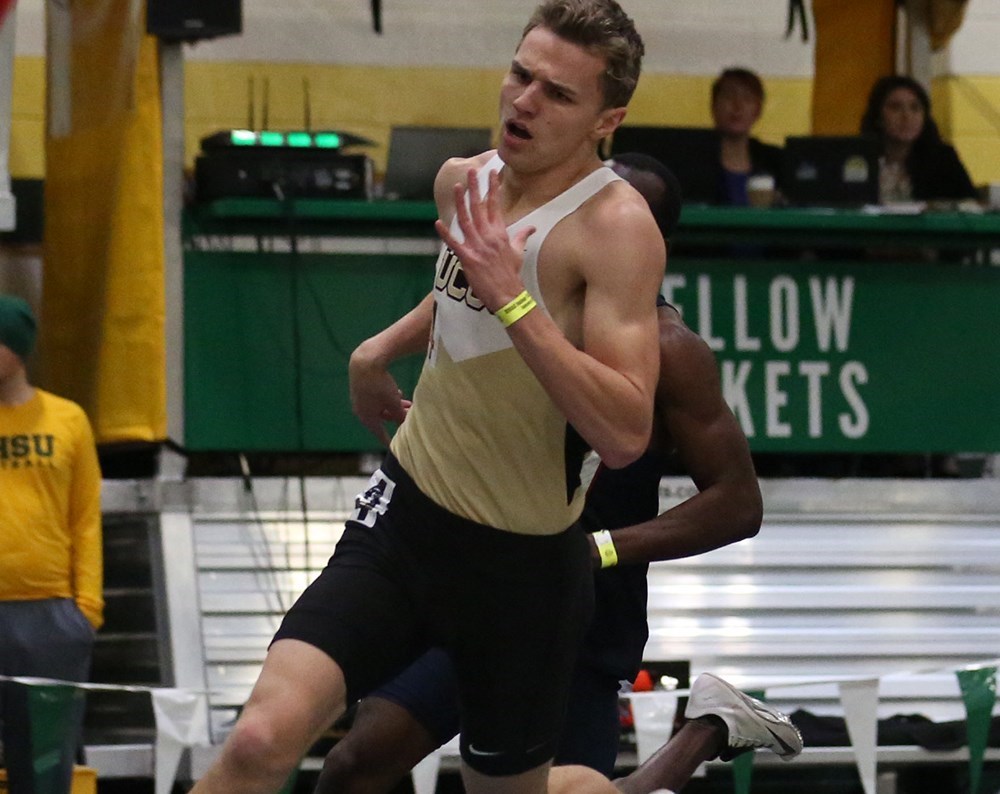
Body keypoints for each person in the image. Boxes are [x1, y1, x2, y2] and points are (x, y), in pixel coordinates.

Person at [189, 2, 667, 793]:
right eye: (521, 74)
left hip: (526, 568)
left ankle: (673, 755)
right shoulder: (462, 181)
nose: (523, 102)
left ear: (606, 119)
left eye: (558, 94)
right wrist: (378, 348)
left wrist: (516, 300)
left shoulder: (617, 229)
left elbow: (623, 431)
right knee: (259, 741)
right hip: (409, 520)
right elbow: (457, 294)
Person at [313, 153, 802, 794]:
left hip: (579, 600)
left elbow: (738, 503)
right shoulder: (523, 293)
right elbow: (454, 296)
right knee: (355, 765)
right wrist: (376, 350)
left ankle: (706, 729)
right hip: (484, 569)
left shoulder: (672, 351)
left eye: (612, 203)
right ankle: (713, 723)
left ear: (645, 241)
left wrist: (592, 550)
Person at [0, 294, 103, 794]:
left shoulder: (67, 422)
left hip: (50, 615)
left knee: (44, 763)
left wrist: (85, 610)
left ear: (15, 351)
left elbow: (85, 519)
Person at [859, 74, 976, 204]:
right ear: (878, 117)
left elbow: (971, 207)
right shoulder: (859, 159)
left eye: (915, 108)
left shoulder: (943, 160)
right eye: (895, 107)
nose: (906, 116)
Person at [708, 67, 783, 206]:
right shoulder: (698, 159)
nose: (738, 106)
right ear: (714, 105)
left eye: (747, 98)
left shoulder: (776, 161)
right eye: (729, 96)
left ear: (758, 110)